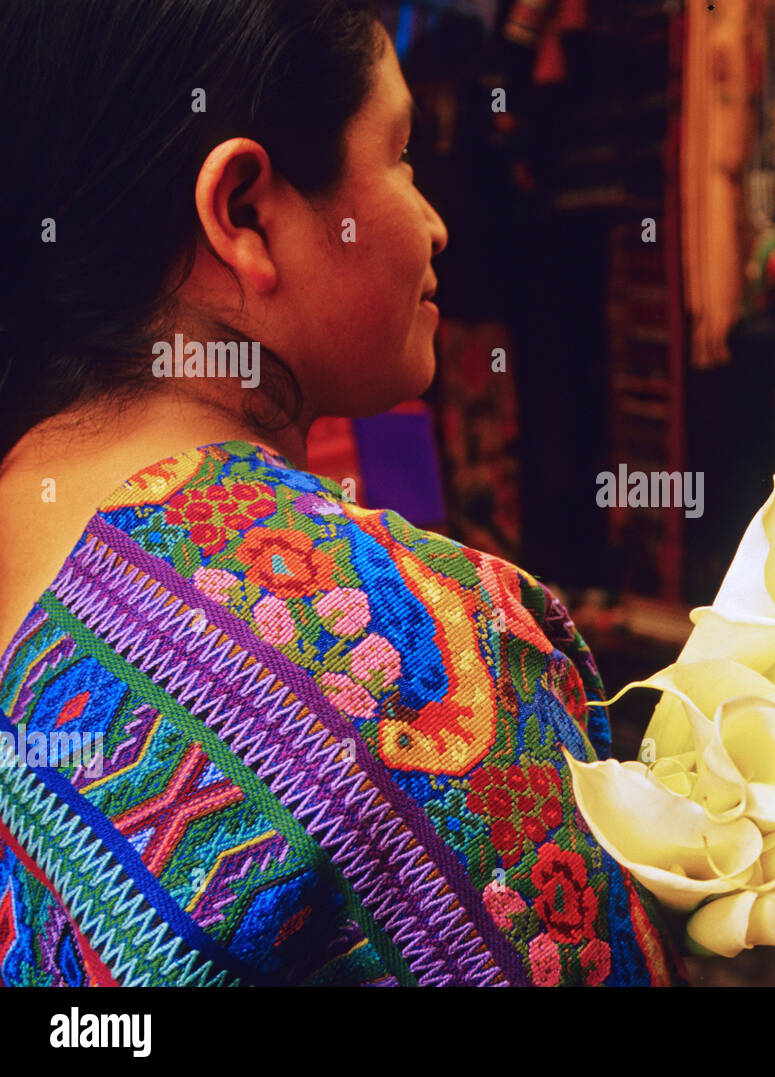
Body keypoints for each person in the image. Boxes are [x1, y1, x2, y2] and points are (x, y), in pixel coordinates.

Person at [0, 0, 687, 986]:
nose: (438, 222)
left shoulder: (27, 510)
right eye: (401, 155)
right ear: (242, 211)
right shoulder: (430, 654)